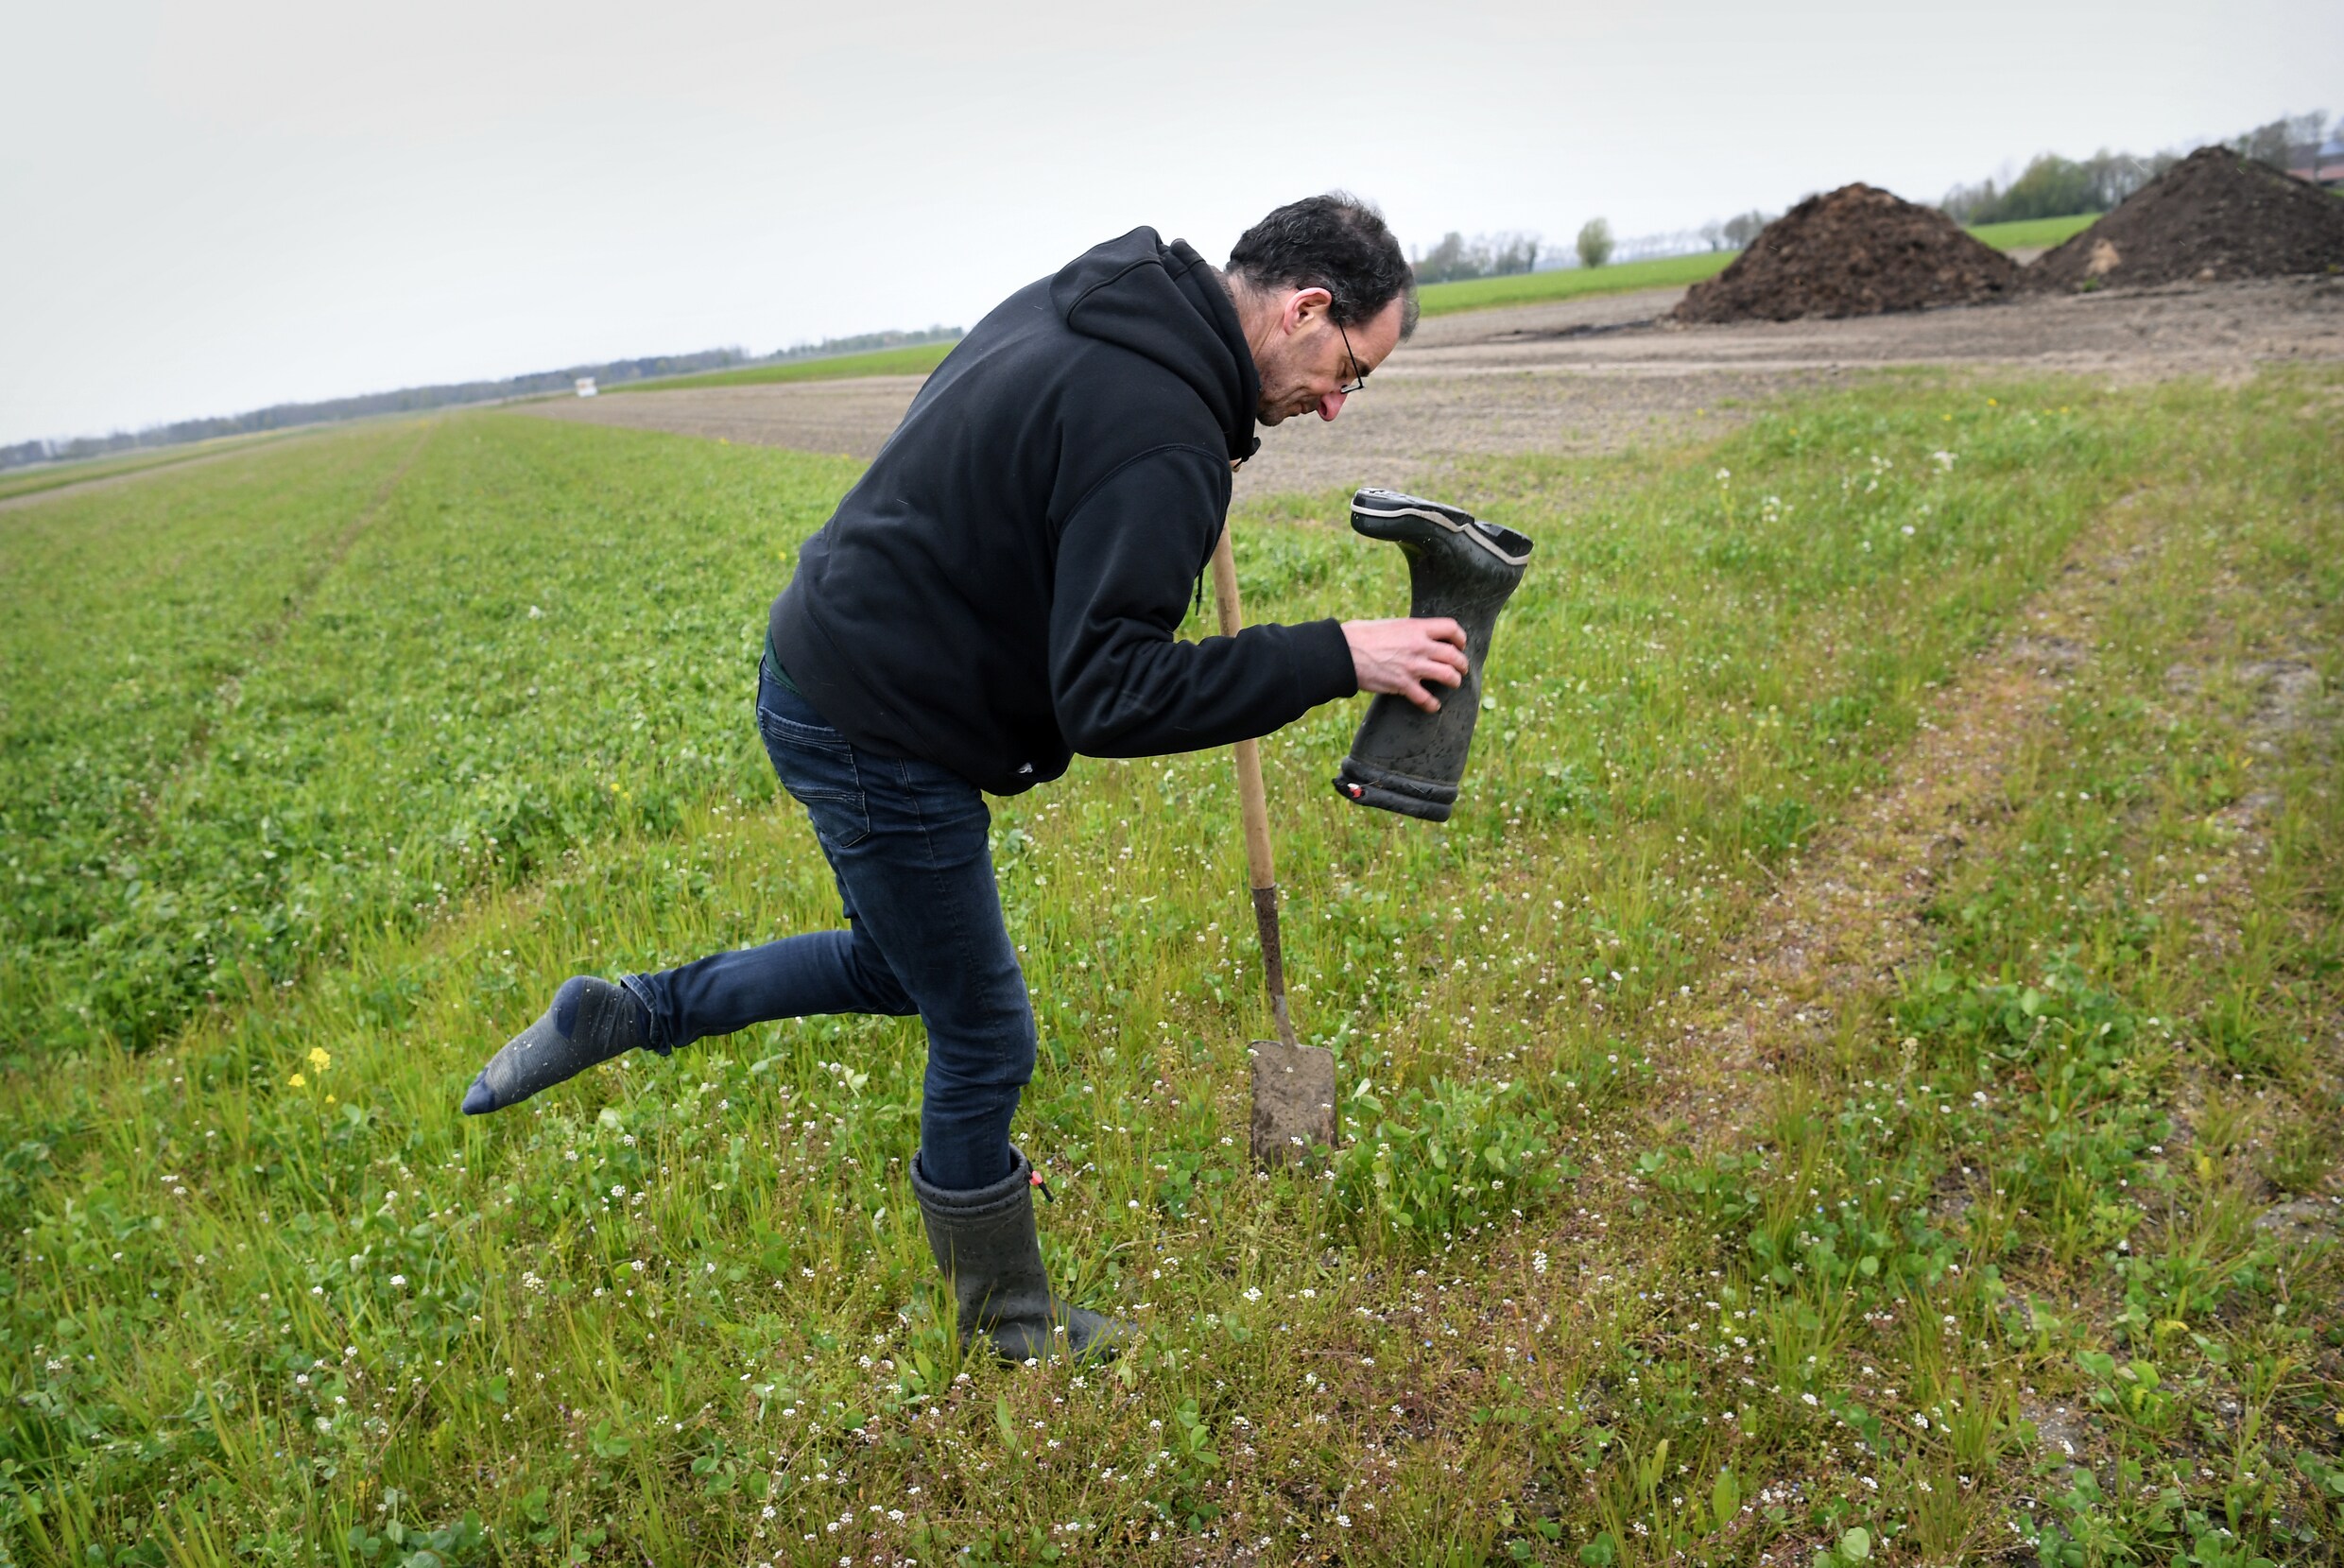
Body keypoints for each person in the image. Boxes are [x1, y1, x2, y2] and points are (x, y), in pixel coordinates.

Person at [461, 193, 1469, 1360]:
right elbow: (1113, 695)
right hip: (881, 722)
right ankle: (1010, 1327)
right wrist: (1335, 653)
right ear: (1304, 308)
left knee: (901, 969)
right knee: (986, 1036)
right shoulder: (1161, 434)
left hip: (833, 663)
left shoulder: (1114, 297)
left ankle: (628, 1010)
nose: (1337, 405)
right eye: (1349, 367)